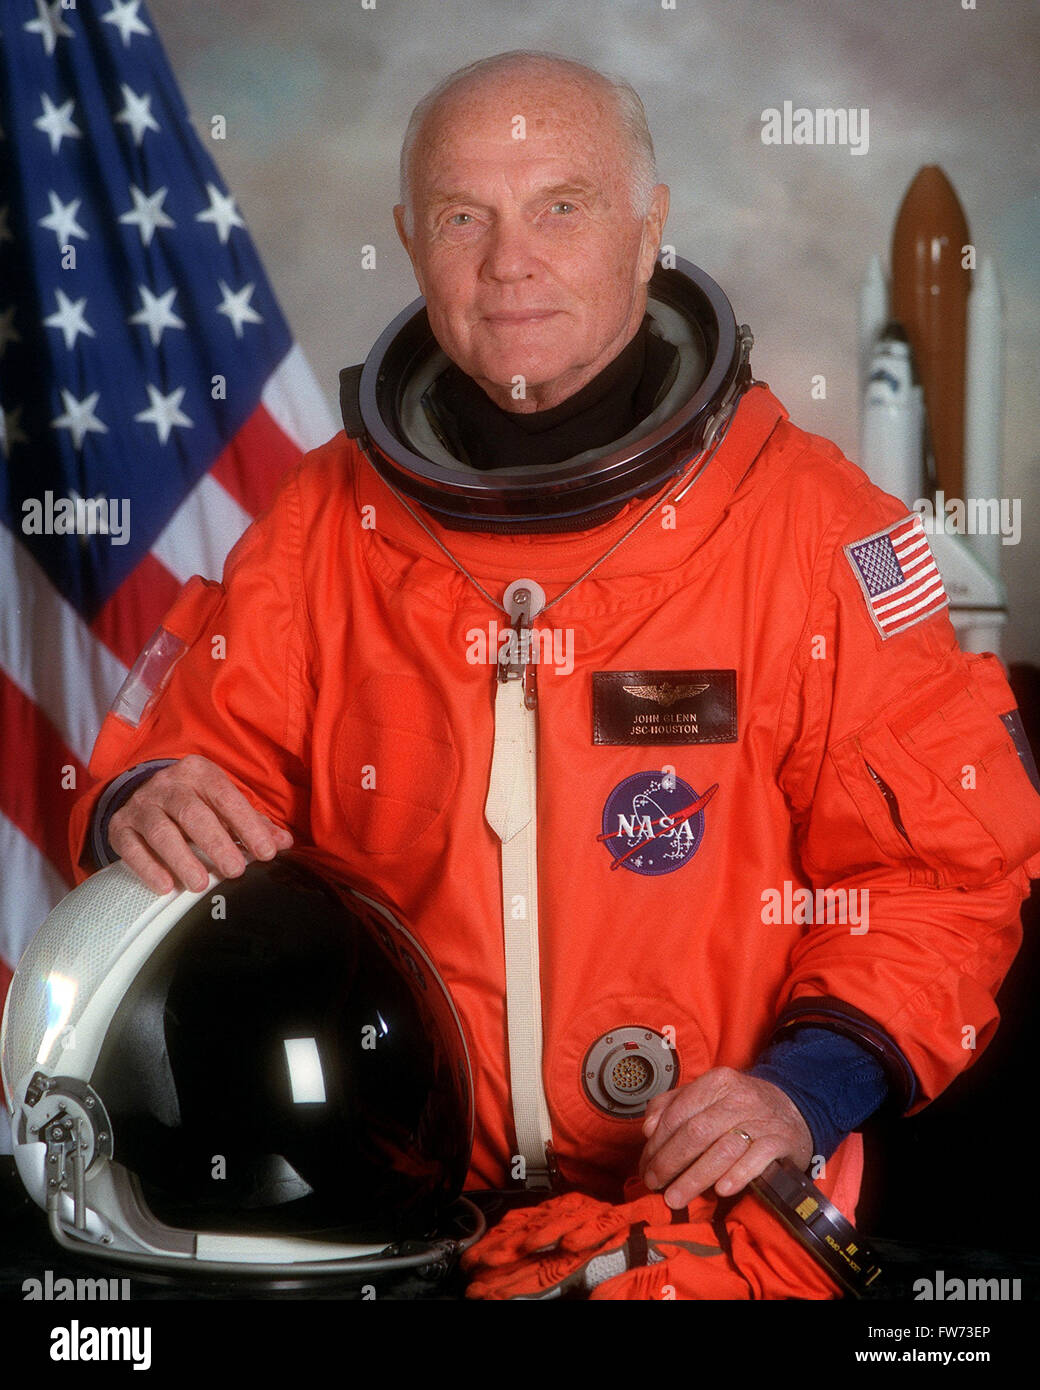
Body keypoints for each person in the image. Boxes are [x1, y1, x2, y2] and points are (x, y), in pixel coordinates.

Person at [69, 51, 1040, 1244]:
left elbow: (942, 871)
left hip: (709, 1215)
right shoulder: (323, 530)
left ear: (648, 228)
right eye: (461, 217)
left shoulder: (813, 534)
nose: (508, 260)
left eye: (560, 208)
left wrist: (804, 1087)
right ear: (410, 240)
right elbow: (195, 775)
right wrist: (149, 797)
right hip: (391, 1208)